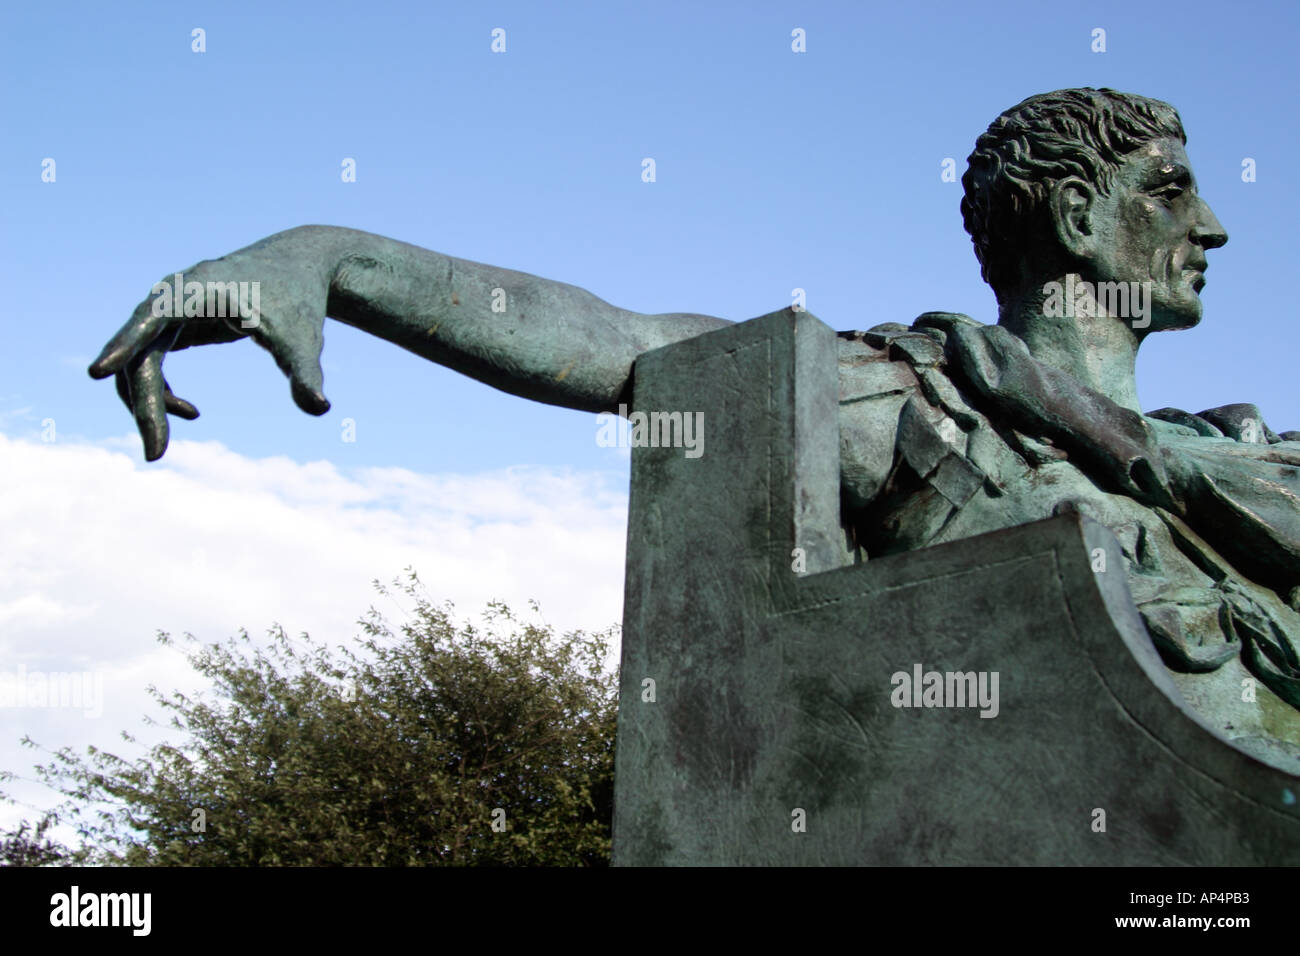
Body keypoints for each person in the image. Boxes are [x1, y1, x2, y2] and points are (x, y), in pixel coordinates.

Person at [90, 88, 1300, 763]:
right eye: (1172, 190)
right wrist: (326, 258)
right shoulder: (920, 402)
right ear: (1080, 215)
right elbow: (620, 343)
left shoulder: (1251, 457)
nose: (1215, 229)